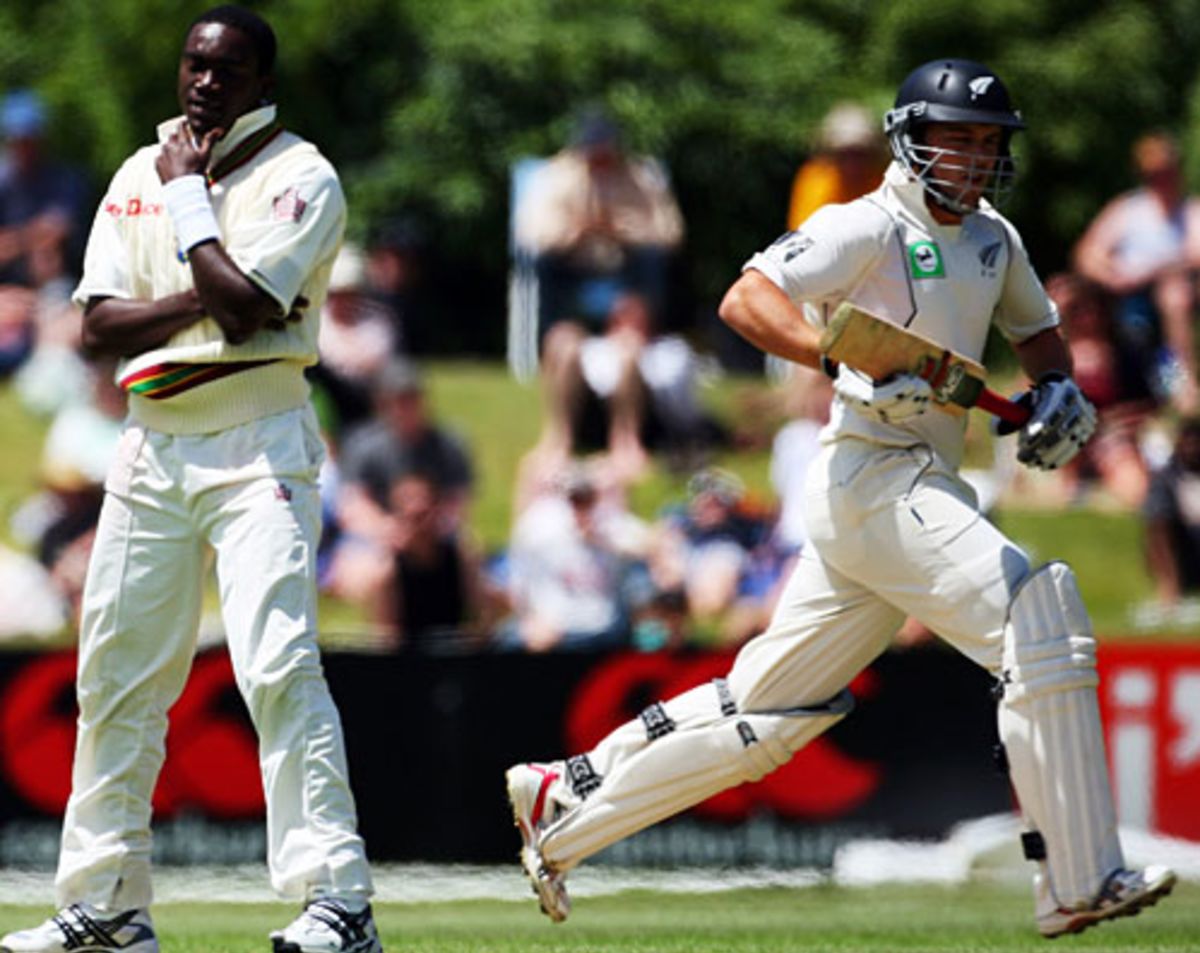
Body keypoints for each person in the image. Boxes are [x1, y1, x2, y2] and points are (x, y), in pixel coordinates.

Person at [503, 59, 1176, 939]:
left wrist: (1059, 393)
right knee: (1039, 615)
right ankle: (1079, 875)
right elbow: (748, 297)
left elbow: (1040, 335)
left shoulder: (991, 238)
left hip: (907, 486)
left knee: (766, 711)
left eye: (987, 144)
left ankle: (566, 798)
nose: (974, 160)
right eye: (957, 141)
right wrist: (838, 361)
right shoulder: (866, 226)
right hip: (872, 477)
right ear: (912, 140)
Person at [0, 8, 383, 953]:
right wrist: (194, 295)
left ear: (262, 83)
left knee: (277, 664)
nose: (206, 83)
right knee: (116, 676)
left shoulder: (303, 175)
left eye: (230, 70)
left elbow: (250, 313)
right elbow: (95, 328)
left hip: (257, 438)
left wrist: (188, 214)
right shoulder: (140, 170)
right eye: (196, 64)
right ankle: (108, 905)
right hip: (150, 441)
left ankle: (338, 900)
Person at [514, 107, 685, 341]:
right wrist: (578, 231)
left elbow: (670, 233)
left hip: (627, 264)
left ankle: (648, 339)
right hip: (571, 265)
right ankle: (553, 341)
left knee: (653, 260)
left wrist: (622, 233)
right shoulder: (553, 177)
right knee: (545, 264)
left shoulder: (644, 177)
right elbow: (531, 236)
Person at [325, 357, 474, 618]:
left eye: (412, 397)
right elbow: (352, 506)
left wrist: (427, 530)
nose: (407, 406)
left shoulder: (448, 444)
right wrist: (388, 530)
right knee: (360, 571)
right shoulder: (364, 445)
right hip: (377, 536)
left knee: (470, 555)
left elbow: (458, 503)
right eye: (399, 399)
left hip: (434, 535)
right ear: (383, 403)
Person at [1073, 131, 1200, 414]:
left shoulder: (1191, 211)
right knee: (1066, 295)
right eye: (1154, 174)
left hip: (1176, 293)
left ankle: (1182, 381)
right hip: (1127, 296)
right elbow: (1087, 254)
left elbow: (1194, 255)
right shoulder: (1128, 210)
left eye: (1166, 172)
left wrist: (1155, 270)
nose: (1161, 180)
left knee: (1175, 295)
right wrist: (1114, 277)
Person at [535, 290, 715, 474]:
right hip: (593, 409)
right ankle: (559, 439)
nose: (627, 324)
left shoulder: (667, 350)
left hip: (647, 416)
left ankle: (626, 444)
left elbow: (680, 405)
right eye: (621, 318)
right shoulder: (595, 348)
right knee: (563, 337)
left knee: (629, 352)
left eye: (636, 319)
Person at [787, 101, 889, 230]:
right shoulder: (816, 180)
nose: (852, 162)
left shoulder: (885, 183)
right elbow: (803, 232)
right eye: (844, 154)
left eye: (860, 154)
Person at [1142, 416, 1200, 609]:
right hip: (1185, 549)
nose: (1193, 449)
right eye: (1188, 443)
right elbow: (1158, 516)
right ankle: (1169, 592)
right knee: (1160, 528)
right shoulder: (1166, 478)